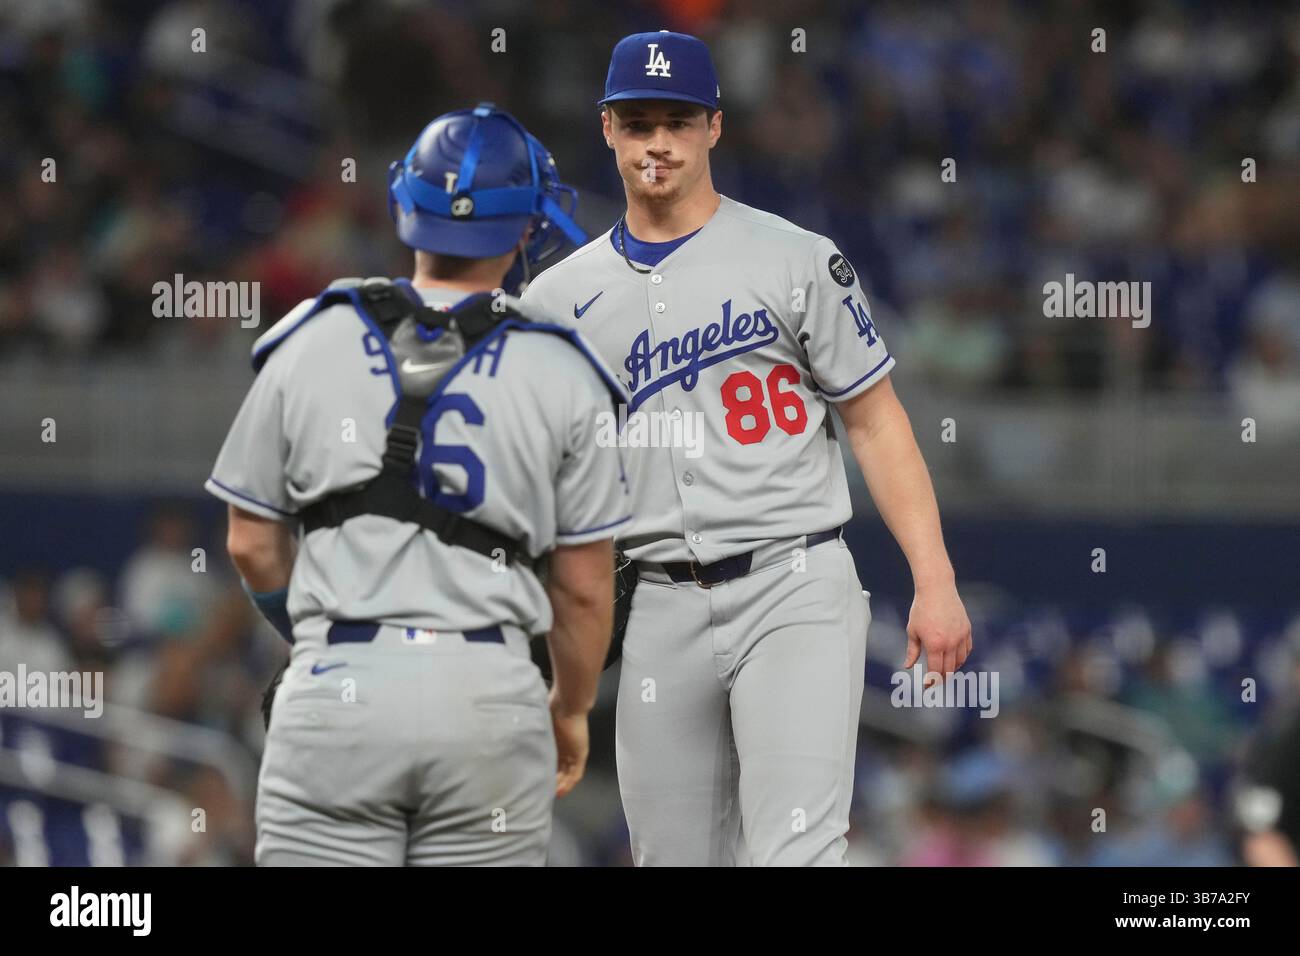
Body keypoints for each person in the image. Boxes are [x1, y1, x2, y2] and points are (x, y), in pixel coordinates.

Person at [521, 31, 972, 866]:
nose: (659, 141)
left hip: (792, 581)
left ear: (715, 128)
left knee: (796, 853)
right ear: (609, 128)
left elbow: (875, 421)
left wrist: (934, 579)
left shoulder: (796, 258)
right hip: (656, 600)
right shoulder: (555, 301)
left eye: (679, 121)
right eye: (640, 121)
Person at [205, 104, 629, 866]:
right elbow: (587, 591)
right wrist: (569, 709)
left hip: (336, 692)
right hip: (489, 697)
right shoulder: (566, 368)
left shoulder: (310, 336)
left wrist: (315, 634)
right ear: (529, 226)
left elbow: (250, 543)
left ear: (404, 206)